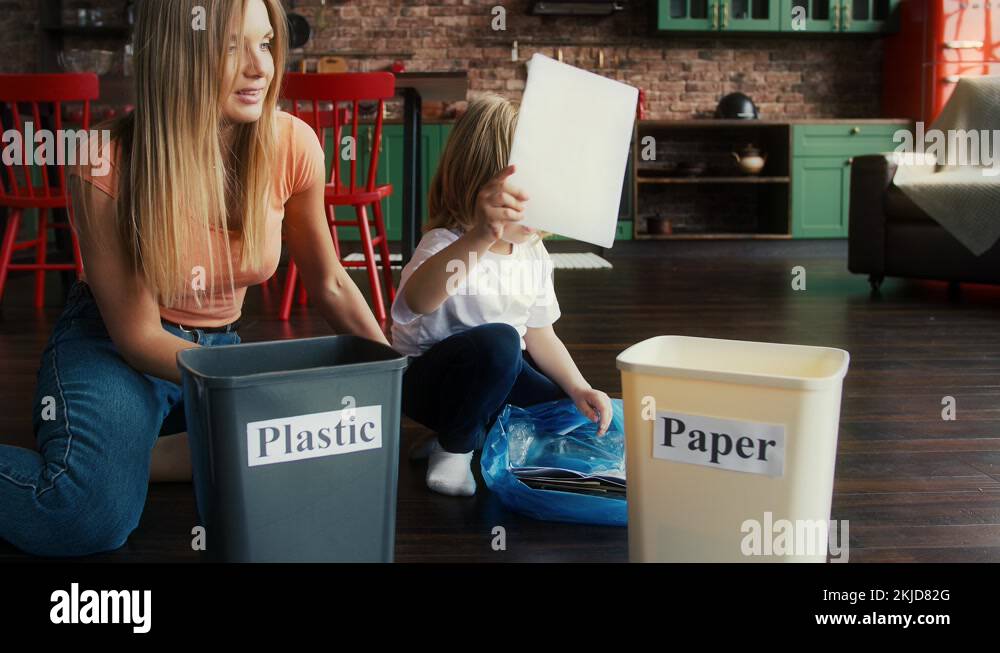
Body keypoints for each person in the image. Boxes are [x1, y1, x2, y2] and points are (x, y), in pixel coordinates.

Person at [0, 0, 387, 557]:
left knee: (330, 448)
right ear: (176, 54)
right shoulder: (104, 163)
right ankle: (105, 463)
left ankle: (129, 457)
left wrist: (390, 375)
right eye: (231, 47)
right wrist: (252, 384)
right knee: (84, 518)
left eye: (265, 43)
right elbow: (138, 338)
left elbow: (328, 282)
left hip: (216, 349)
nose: (261, 67)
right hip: (114, 348)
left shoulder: (293, 144)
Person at [391, 94, 613, 497]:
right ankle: (455, 447)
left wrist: (580, 388)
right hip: (429, 385)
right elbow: (417, 302)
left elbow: (540, 333)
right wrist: (481, 235)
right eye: (521, 201)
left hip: (491, 379)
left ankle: (464, 434)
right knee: (500, 343)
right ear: (478, 188)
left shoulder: (532, 253)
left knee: (563, 408)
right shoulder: (446, 244)